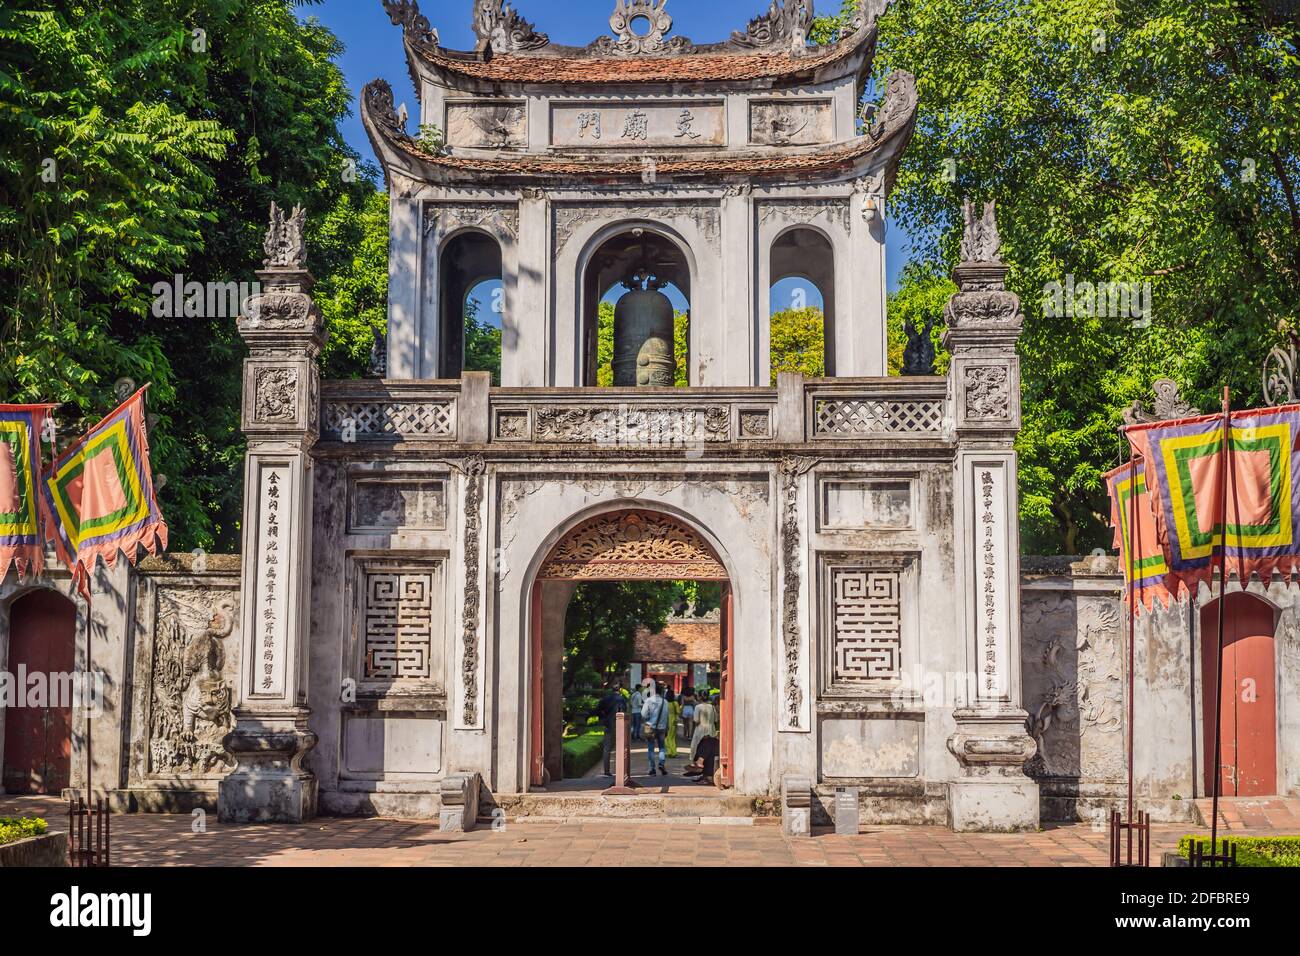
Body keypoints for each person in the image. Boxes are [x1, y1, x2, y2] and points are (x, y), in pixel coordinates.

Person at [595, 681, 627, 777]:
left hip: (608, 725)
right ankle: (621, 771)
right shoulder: (622, 699)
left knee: (607, 748)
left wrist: (603, 718)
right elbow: (624, 712)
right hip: (619, 726)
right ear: (620, 689)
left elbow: (597, 710)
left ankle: (606, 770)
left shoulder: (606, 699)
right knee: (621, 748)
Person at [641, 679, 670, 775]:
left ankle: (652, 769)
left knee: (651, 748)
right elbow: (667, 716)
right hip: (662, 728)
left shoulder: (648, 701)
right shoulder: (665, 702)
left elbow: (643, 714)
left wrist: (649, 717)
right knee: (662, 747)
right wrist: (667, 727)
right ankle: (661, 764)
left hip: (650, 727)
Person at [690, 692, 718, 763]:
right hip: (711, 730)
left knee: (697, 748)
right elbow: (716, 719)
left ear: (699, 697)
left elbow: (696, 720)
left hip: (700, 730)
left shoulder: (698, 707)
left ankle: (697, 765)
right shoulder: (712, 707)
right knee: (710, 749)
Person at [664, 686, 681, 758]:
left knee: (666, 737)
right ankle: (674, 751)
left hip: (666, 721)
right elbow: (678, 712)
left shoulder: (665, 703)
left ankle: (669, 751)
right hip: (674, 721)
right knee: (672, 737)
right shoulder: (675, 703)